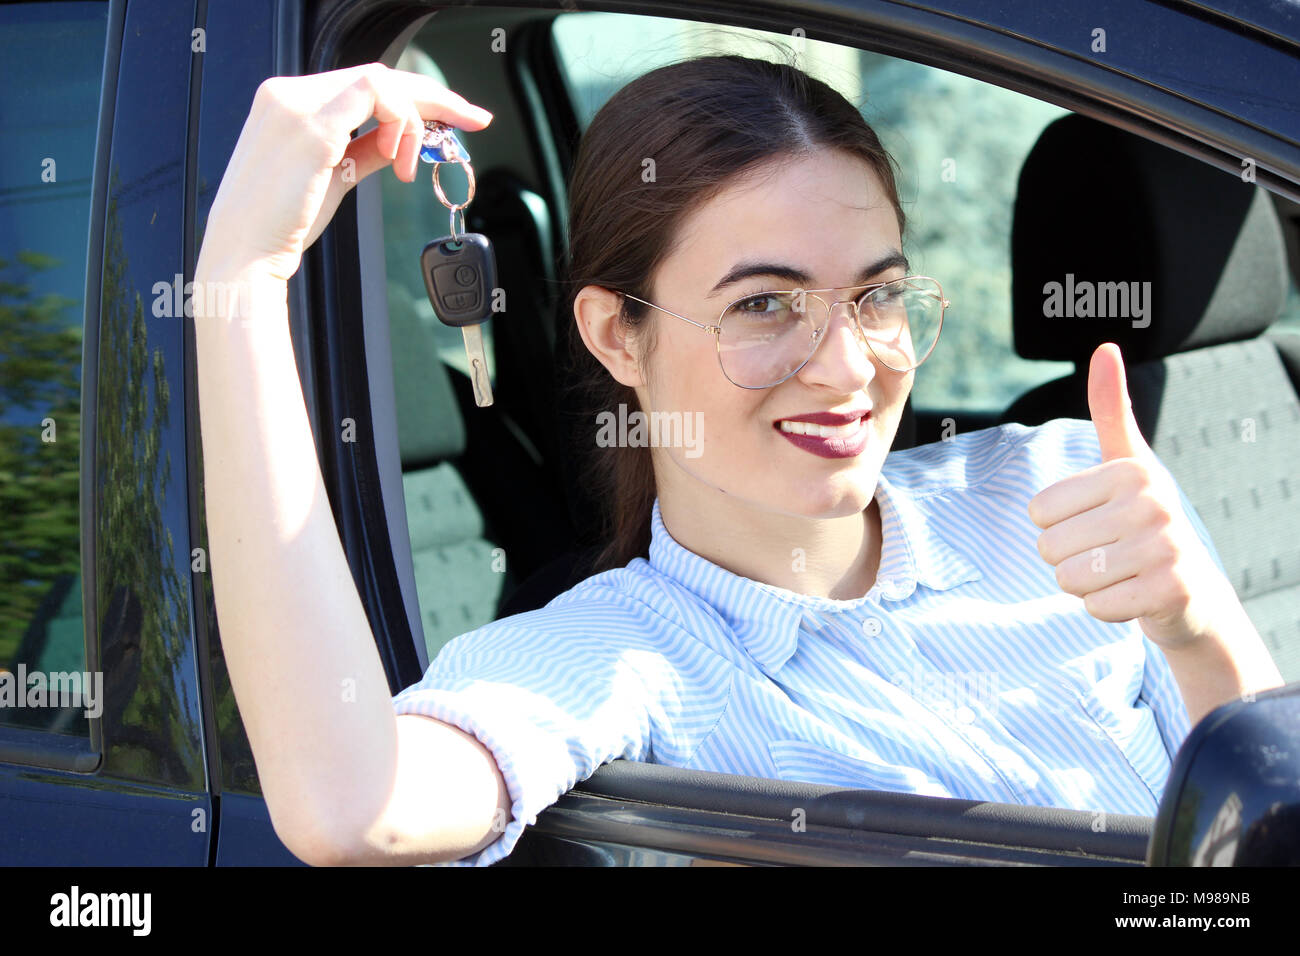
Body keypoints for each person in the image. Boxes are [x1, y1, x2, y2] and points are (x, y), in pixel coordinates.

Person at [193, 52, 1283, 867]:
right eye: (763, 304)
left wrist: (1192, 632)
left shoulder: (1065, 479)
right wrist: (239, 283)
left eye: (876, 294)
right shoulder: (620, 653)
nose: (844, 365)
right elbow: (346, 802)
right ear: (619, 335)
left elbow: (1265, 823)